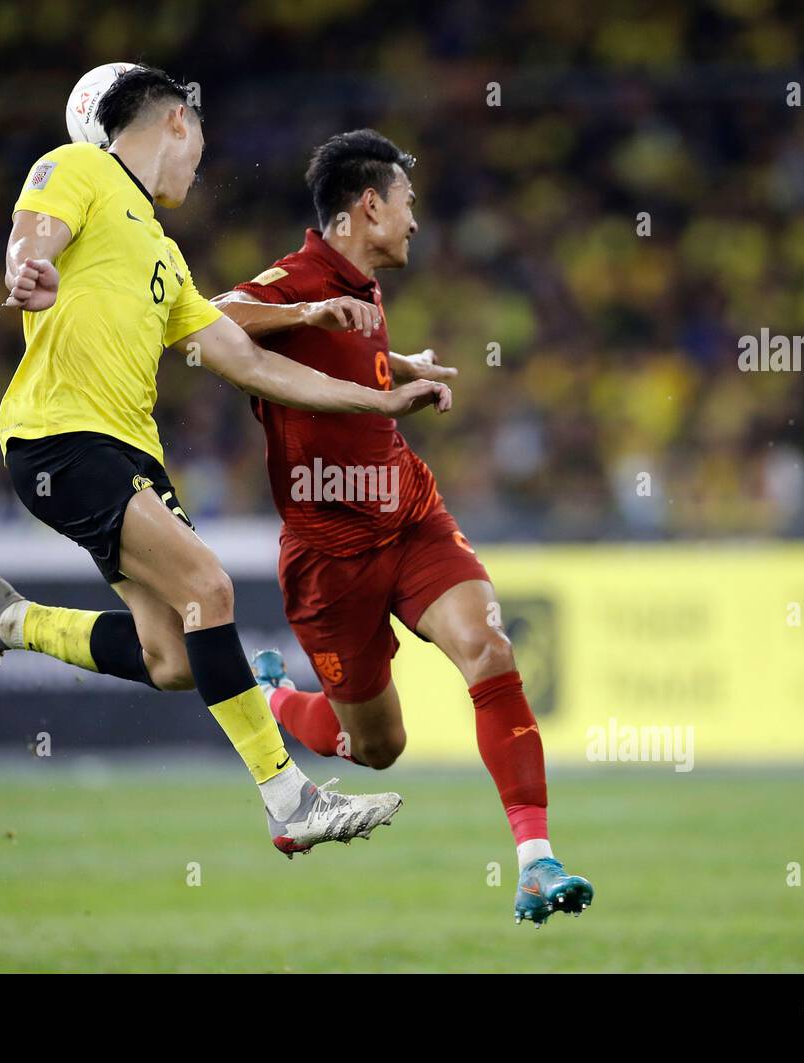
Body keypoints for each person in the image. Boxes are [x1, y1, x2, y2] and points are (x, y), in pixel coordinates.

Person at [0, 69, 452, 857]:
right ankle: (289, 798)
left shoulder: (164, 256)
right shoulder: (82, 170)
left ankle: (4, 618)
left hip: (130, 451)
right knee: (208, 585)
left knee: (171, 656)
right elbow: (33, 231)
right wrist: (25, 267)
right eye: (198, 145)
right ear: (177, 121)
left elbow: (247, 361)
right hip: (60, 438)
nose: (199, 166)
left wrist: (376, 399)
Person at [213, 129, 593, 923]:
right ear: (368, 205)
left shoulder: (366, 282)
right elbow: (202, 320)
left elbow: (343, 362)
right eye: (407, 204)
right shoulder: (303, 278)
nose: (416, 221)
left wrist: (400, 368)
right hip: (329, 559)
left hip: (409, 514)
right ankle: (279, 701)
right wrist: (309, 307)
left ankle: (536, 861)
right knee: (378, 746)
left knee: (490, 648)